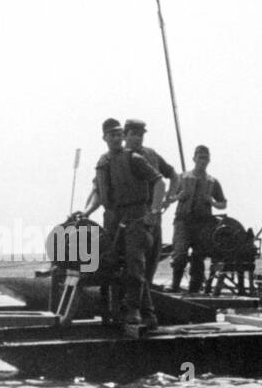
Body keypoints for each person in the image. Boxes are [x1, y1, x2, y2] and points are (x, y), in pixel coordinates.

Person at [80, 118, 166, 336]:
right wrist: (87, 212)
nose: (117, 138)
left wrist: (154, 211)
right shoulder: (104, 161)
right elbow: (100, 194)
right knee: (110, 264)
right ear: (105, 138)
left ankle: (135, 310)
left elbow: (159, 182)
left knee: (135, 265)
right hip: (112, 217)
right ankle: (144, 312)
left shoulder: (134, 159)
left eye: (120, 135)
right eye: (113, 135)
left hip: (135, 216)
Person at [123, 120, 179, 324]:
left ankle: (146, 312)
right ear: (125, 135)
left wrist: (168, 199)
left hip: (153, 218)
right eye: (134, 134)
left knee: (150, 267)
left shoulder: (151, 154)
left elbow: (173, 175)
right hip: (133, 219)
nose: (138, 138)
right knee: (134, 267)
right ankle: (142, 312)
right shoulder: (120, 158)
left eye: (141, 134)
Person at [169, 145, 228, 292]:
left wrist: (212, 202)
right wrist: (178, 196)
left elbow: (223, 204)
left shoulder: (212, 182)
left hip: (203, 224)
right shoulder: (182, 178)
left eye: (206, 158)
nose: (203, 161)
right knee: (180, 255)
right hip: (183, 221)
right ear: (194, 158)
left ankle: (194, 291)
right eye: (200, 157)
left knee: (198, 258)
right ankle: (175, 286)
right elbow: (168, 197)